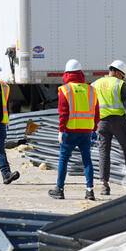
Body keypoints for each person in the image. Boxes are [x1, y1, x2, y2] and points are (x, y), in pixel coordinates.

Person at [48, 59, 97, 201]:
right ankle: (89, 191)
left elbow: (63, 112)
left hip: (70, 131)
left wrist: (61, 130)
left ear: (67, 74)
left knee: (63, 160)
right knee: (87, 160)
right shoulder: (91, 90)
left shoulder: (65, 90)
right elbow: (97, 112)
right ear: (80, 73)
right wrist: (93, 128)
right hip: (86, 132)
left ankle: (60, 189)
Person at [92, 59, 126, 195]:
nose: (123, 77)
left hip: (102, 123)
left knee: (104, 153)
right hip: (119, 122)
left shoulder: (96, 84)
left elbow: (91, 104)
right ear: (118, 73)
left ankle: (104, 186)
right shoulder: (120, 84)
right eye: (123, 75)